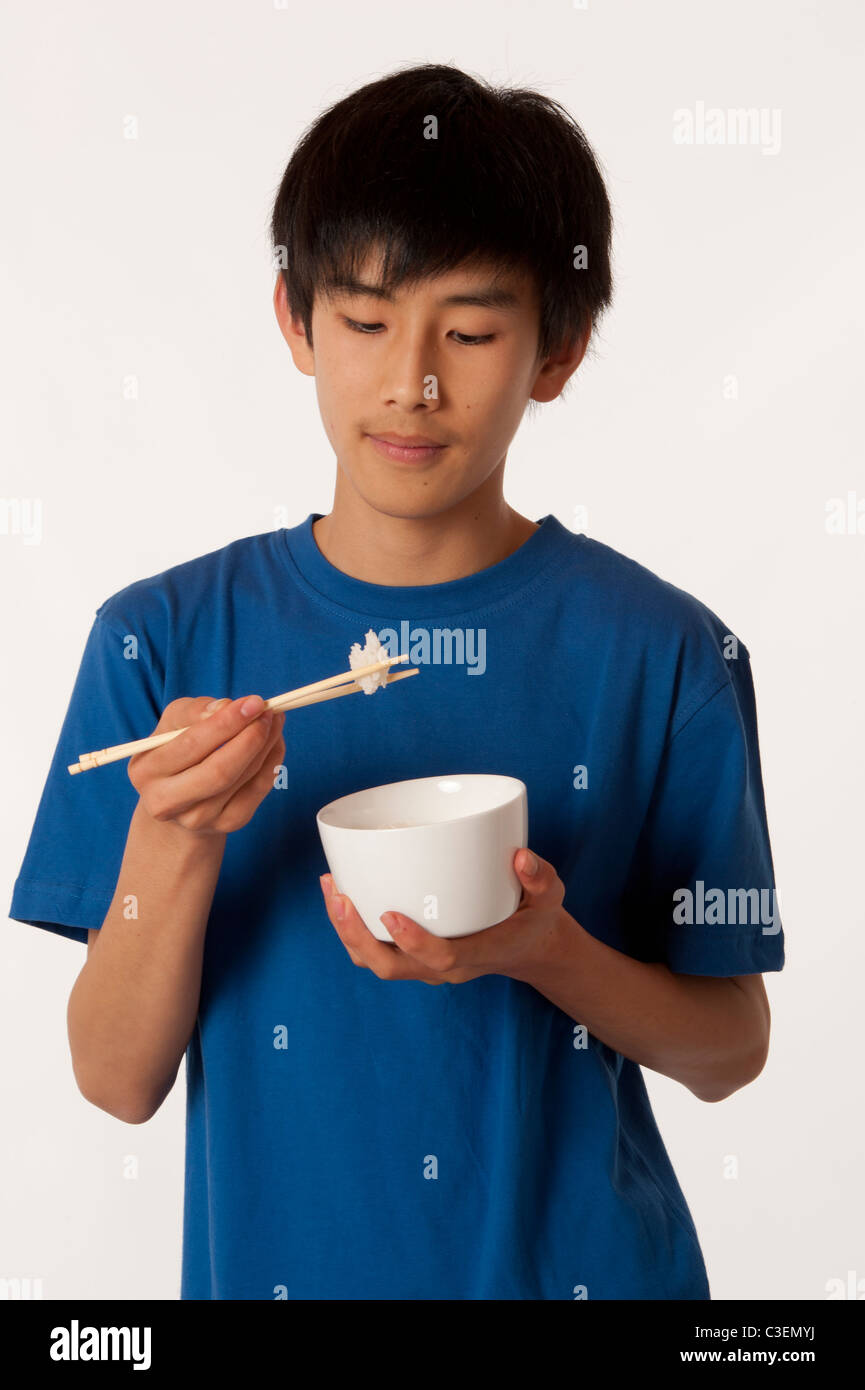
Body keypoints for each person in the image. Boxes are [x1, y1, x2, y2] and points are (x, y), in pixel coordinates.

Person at [8, 62, 783, 1300]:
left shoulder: (667, 650)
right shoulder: (159, 638)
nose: (411, 382)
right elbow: (114, 1081)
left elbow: (730, 1046)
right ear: (294, 321)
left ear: (558, 348)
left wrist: (544, 949)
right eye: (365, 322)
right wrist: (170, 835)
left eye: (470, 332)